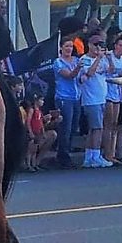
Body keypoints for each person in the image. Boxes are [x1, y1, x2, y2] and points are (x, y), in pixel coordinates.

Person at [77, 36, 112, 168]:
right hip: (91, 100)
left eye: (100, 45)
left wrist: (108, 57)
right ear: (89, 45)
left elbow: (111, 70)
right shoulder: (84, 59)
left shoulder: (103, 59)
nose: (98, 47)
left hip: (101, 98)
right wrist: (98, 58)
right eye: (95, 44)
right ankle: (95, 156)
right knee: (97, 128)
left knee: (94, 129)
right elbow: (90, 73)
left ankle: (89, 157)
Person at [51, 38, 83, 169]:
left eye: (71, 46)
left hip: (76, 97)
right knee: (66, 127)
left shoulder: (76, 60)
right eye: (66, 46)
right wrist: (78, 68)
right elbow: (69, 75)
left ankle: (66, 152)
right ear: (61, 48)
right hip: (64, 98)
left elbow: (82, 76)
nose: (69, 49)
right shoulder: (58, 62)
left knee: (74, 127)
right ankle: (63, 156)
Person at [102, 36, 122, 165]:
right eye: (120, 45)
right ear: (115, 45)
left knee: (115, 125)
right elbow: (111, 71)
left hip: (118, 94)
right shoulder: (108, 56)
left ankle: (113, 153)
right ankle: (107, 154)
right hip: (108, 93)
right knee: (108, 124)